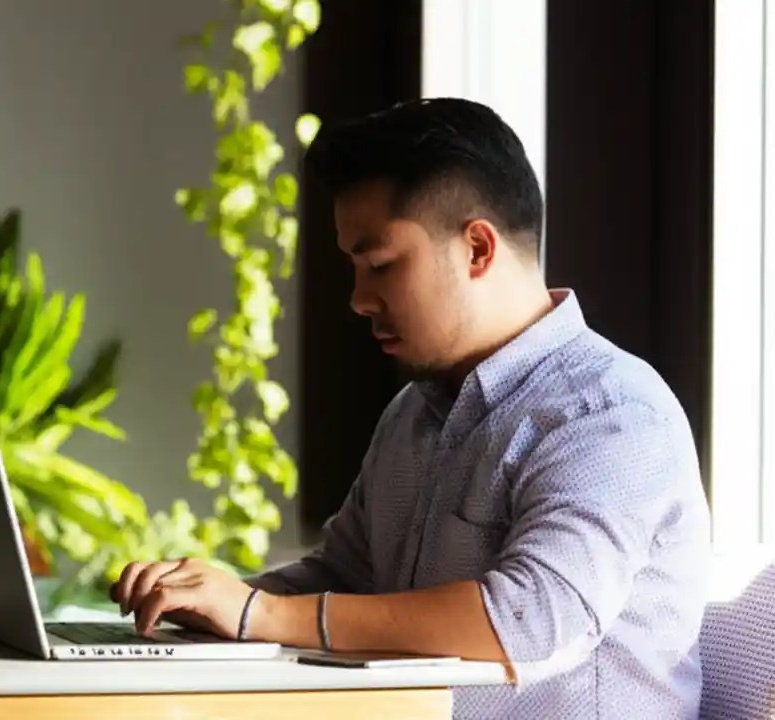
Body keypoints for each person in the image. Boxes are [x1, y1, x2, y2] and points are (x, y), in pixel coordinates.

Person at [110, 97, 711, 718]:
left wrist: (260, 614)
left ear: (478, 248)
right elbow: (345, 573)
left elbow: (531, 622)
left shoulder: (608, 414)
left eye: (380, 265)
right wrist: (213, 600)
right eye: (353, 268)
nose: (359, 299)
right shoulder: (414, 412)